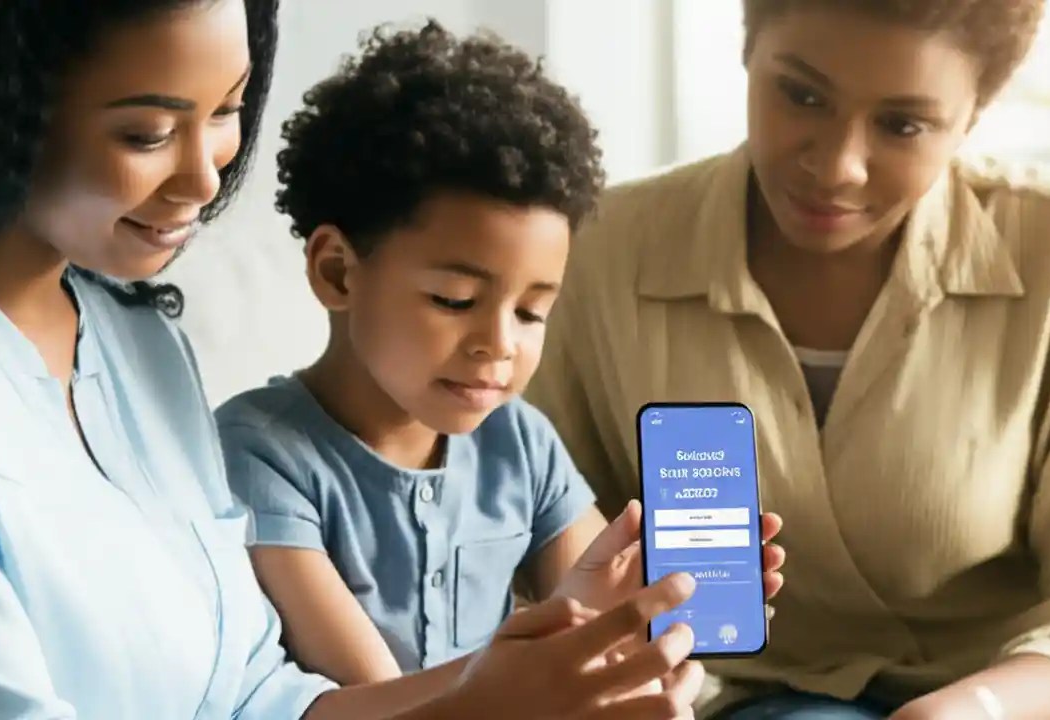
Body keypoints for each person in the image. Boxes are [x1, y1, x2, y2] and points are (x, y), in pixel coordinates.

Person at [0, 2, 735, 718]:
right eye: (146, 133)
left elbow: (258, 697)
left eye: (228, 110)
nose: (205, 179)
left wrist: (535, 675)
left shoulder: (136, 336)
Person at [525, 0, 1050, 718]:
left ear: (975, 113)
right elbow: (537, 537)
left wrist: (971, 709)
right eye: (803, 95)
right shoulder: (602, 251)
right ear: (748, 49)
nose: (837, 166)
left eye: (902, 125)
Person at [215, 19, 787, 690]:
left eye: (531, 310)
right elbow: (377, 698)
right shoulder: (260, 453)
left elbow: (597, 619)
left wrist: (633, 638)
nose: (499, 345)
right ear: (339, 272)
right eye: (456, 300)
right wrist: (559, 660)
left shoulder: (519, 442)